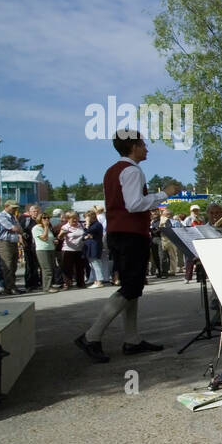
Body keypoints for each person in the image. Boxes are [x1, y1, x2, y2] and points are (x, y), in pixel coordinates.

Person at [75, 130, 164, 363]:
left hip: (120, 233)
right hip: (130, 234)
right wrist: (163, 194)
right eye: (143, 144)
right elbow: (134, 204)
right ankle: (91, 335)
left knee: (131, 287)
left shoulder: (112, 171)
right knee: (131, 287)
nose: (146, 148)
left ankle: (132, 339)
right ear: (133, 146)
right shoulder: (132, 170)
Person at [0, 202, 23, 294]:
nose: (15, 210)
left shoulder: (13, 216)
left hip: (13, 242)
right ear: (6, 207)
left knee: (13, 266)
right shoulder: (0, 215)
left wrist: (18, 229)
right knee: (8, 266)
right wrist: (17, 228)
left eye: (16, 208)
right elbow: (13, 228)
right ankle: (9, 288)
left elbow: (20, 229)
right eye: (13, 208)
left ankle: (12, 286)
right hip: (4, 243)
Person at [58, 211, 87, 289]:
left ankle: (81, 283)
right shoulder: (65, 227)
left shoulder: (81, 225)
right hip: (68, 250)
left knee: (80, 267)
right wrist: (62, 234)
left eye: (76, 218)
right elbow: (59, 238)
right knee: (67, 268)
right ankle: (67, 283)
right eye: (73, 218)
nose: (75, 220)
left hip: (79, 249)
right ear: (68, 219)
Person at [31, 204, 58, 292]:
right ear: (40, 219)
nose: (46, 219)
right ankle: (47, 287)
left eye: (48, 218)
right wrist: (46, 227)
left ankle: (49, 285)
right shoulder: (36, 228)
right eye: (44, 218)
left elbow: (51, 238)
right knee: (47, 269)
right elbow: (44, 237)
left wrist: (55, 240)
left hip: (50, 249)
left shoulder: (48, 228)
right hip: (42, 250)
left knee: (51, 268)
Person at [84, 209, 106, 286]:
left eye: (87, 217)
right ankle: (95, 280)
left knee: (96, 264)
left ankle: (99, 281)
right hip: (90, 247)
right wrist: (87, 235)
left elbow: (87, 232)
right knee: (92, 265)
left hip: (94, 247)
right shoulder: (92, 225)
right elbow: (84, 235)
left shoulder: (97, 224)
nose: (86, 219)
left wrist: (87, 225)